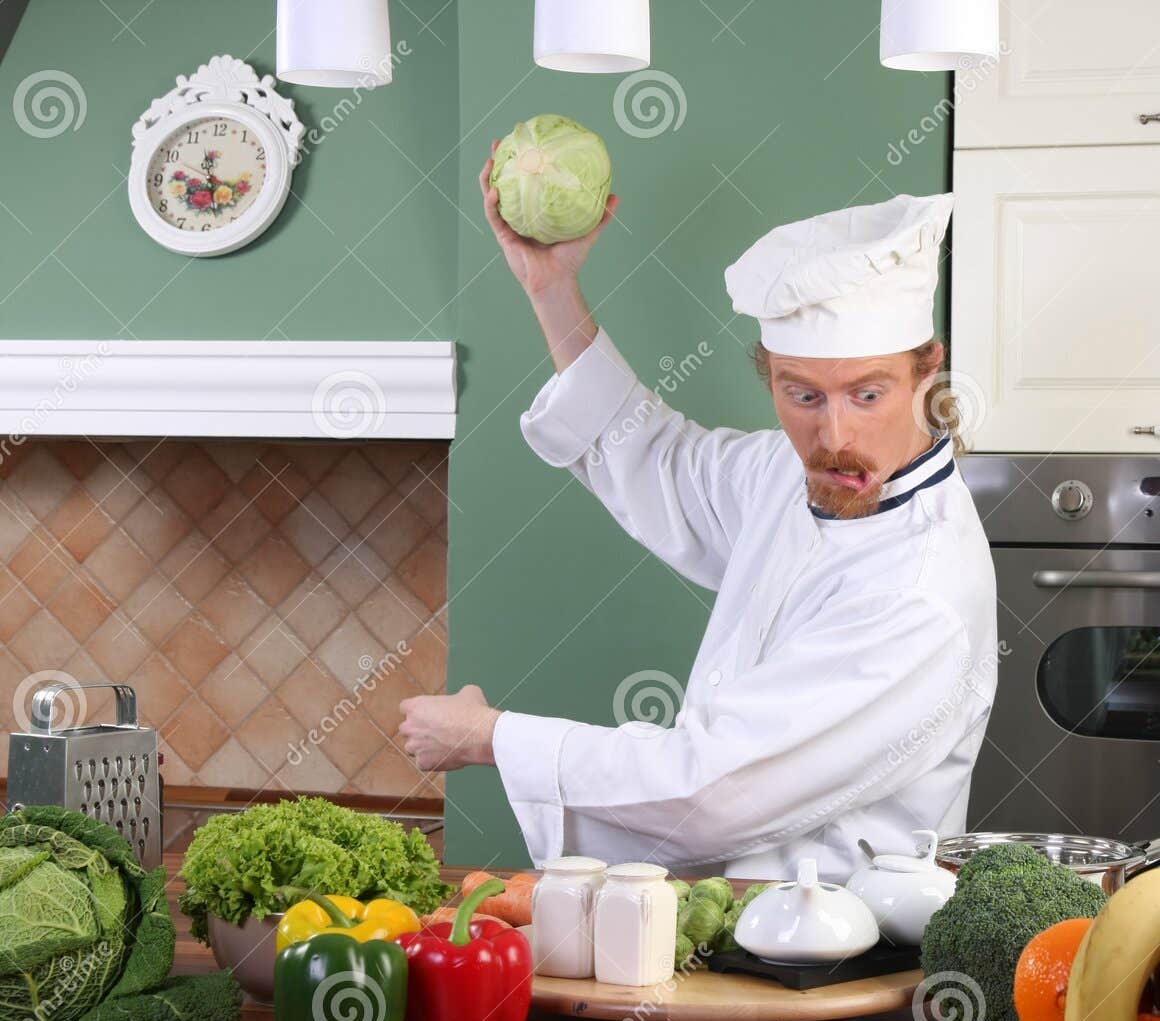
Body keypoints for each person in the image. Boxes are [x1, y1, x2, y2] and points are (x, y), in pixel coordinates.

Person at [397, 145, 998, 882]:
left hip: (840, 959)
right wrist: (551, 288)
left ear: (926, 368)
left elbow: (714, 793)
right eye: (802, 394)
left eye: (867, 395)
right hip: (725, 932)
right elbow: (659, 459)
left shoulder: (919, 592)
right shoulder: (788, 472)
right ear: (769, 376)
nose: (834, 436)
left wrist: (495, 737)